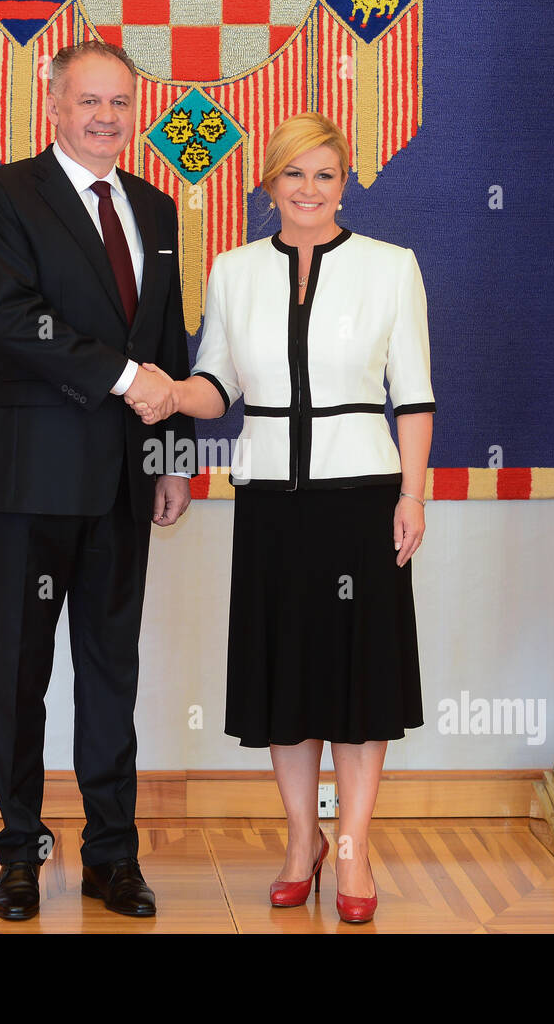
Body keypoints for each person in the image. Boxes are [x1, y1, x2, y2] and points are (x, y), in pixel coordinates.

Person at [129, 112, 434, 924]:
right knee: (287, 680)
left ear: (346, 182)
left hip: (365, 501)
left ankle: (357, 844)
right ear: (268, 184)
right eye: (294, 174)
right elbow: (216, 386)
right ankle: (303, 842)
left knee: (360, 685)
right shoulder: (231, 272)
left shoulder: (391, 267)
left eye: (325, 174)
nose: (309, 189)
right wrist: (163, 390)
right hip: (269, 502)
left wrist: (414, 493)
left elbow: (416, 396)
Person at [0, 40, 195, 921]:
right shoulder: (0, 195)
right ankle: (19, 855)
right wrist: (128, 379)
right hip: (26, 482)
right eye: (88, 101)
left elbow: (170, 338)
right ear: (52, 103)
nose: (105, 119)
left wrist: (174, 454)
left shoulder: (157, 206)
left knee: (111, 674)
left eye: (119, 104)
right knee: (21, 672)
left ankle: (111, 857)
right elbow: (16, 321)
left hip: (130, 483)